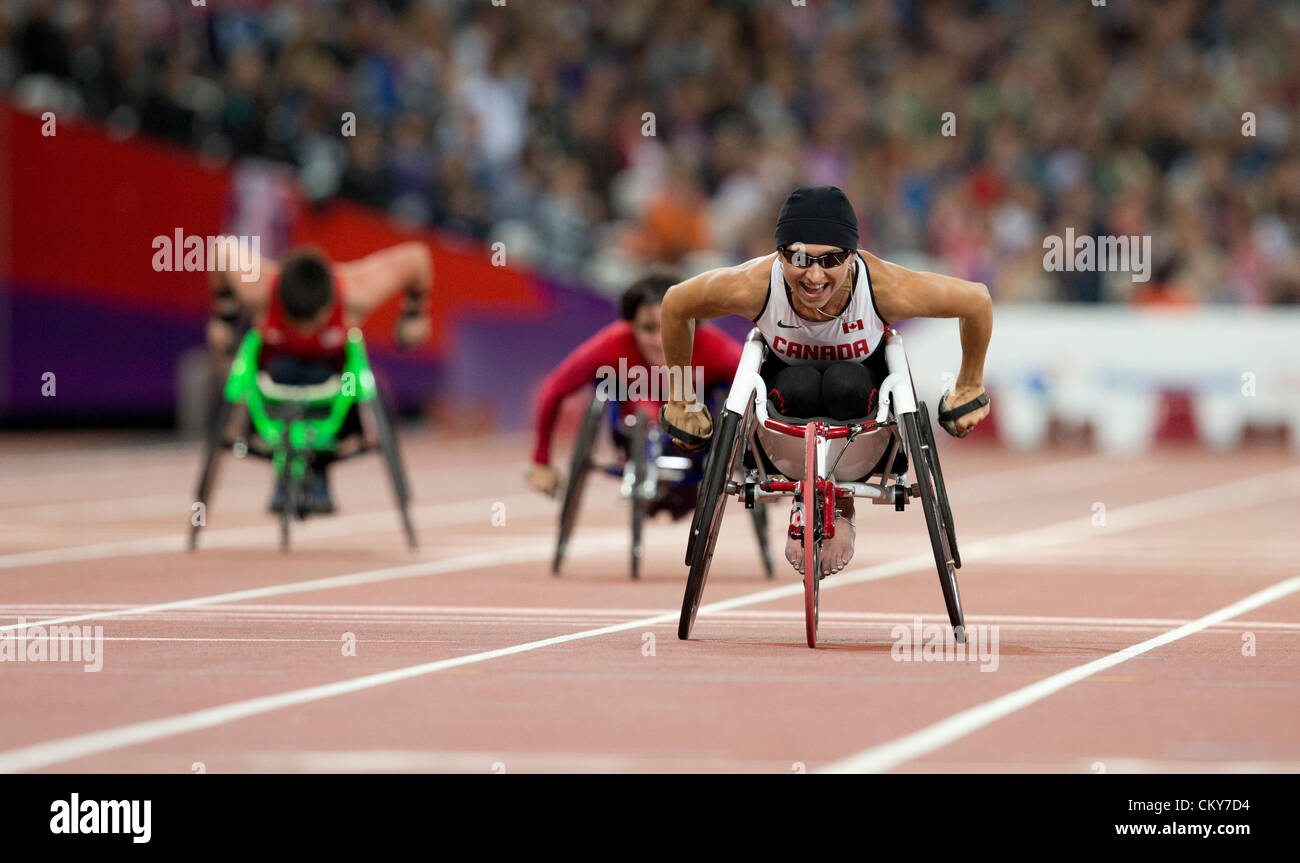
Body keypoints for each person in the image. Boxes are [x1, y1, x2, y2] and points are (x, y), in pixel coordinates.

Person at [658, 185, 992, 577]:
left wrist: (969, 384)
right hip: (784, 416)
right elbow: (676, 304)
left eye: (831, 260)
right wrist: (680, 398)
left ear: (852, 258)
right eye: (799, 258)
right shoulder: (755, 284)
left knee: (841, 381)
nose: (814, 276)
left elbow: (977, 301)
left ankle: (841, 502)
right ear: (780, 255)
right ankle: (805, 497)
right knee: (800, 383)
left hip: (861, 419)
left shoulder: (884, 287)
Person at [207, 241, 433, 513]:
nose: (304, 334)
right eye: (296, 324)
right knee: (240, 381)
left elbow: (417, 258)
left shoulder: (357, 291)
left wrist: (414, 313)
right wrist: (225, 315)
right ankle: (287, 471)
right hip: (273, 391)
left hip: (335, 393)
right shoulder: (258, 287)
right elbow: (221, 250)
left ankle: (319, 470)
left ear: (329, 305)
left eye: (312, 323)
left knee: (372, 389)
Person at [525, 273, 742, 520]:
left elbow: (759, 385)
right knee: (643, 407)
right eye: (649, 329)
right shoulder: (613, 343)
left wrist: (762, 465)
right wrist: (541, 460)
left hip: (697, 446)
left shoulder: (710, 345)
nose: (661, 341)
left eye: (672, 328)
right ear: (631, 326)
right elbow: (554, 388)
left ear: (691, 323)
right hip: (634, 437)